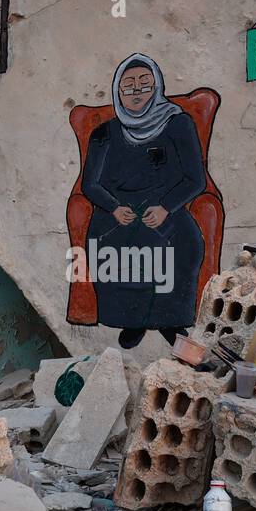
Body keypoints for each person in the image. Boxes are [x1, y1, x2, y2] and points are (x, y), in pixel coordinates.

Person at [80, 53, 206, 349]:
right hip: (119, 211)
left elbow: (195, 180)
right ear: (117, 91)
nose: (136, 92)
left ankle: (169, 318)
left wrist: (166, 207)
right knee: (112, 249)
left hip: (164, 208)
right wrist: (114, 208)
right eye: (128, 86)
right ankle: (133, 320)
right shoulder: (104, 134)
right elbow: (90, 184)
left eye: (144, 85)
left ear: (157, 87)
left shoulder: (178, 124)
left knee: (186, 242)